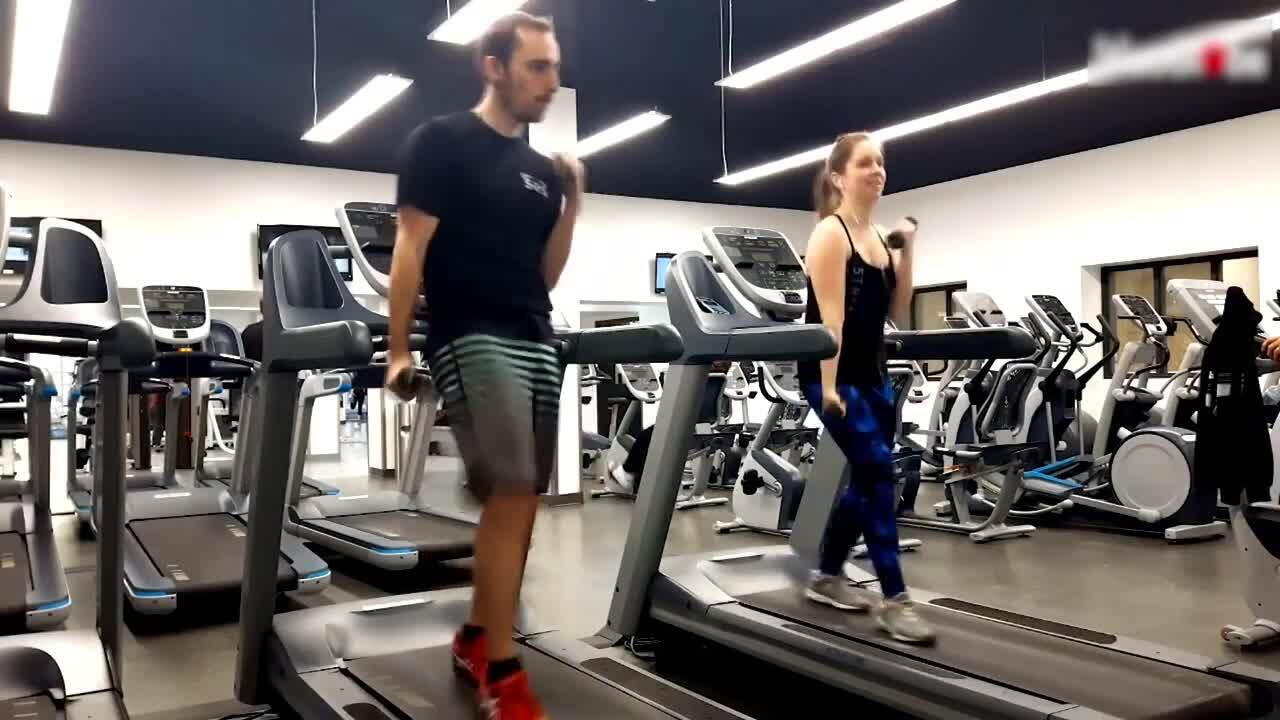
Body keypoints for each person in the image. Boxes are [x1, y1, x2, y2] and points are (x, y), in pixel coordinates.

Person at [384, 12, 582, 720]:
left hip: (534, 332)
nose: (552, 82)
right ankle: (501, 668)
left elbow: (545, 276)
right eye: (538, 67)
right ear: (494, 67)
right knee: (511, 488)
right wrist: (400, 345)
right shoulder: (439, 143)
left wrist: (573, 204)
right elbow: (410, 249)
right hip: (470, 332)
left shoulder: (541, 173)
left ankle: (475, 634)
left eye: (556, 67)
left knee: (524, 502)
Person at [796, 131, 935, 644]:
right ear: (838, 177)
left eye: (880, 163)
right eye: (864, 164)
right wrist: (829, 388)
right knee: (878, 473)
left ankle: (828, 576)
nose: (876, 170)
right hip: (832, 376)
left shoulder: (876, 237)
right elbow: (830, 320)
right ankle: (895, 600)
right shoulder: (831, 234)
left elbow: (897, 307)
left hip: (873, 376)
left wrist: (909, 249)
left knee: (868, 477)